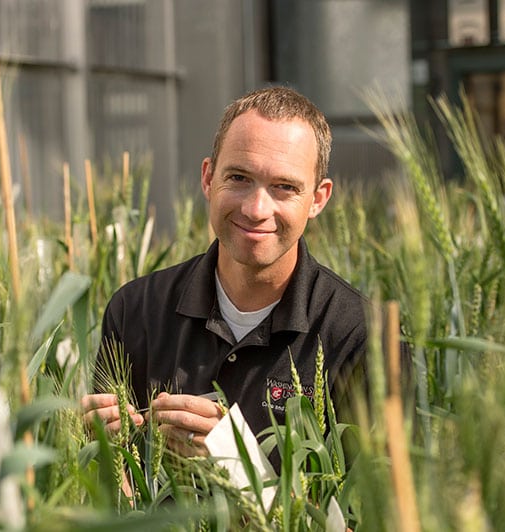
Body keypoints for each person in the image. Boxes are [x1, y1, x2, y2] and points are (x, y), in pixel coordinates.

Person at [82, 86, 367, 466]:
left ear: (318, 199)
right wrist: (96, 454)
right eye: (238, 178)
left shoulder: (363, 337)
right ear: (208, 178)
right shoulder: (135, 310)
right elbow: (118, 496)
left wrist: (241, 467)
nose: (256, 209)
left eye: (284, 187)